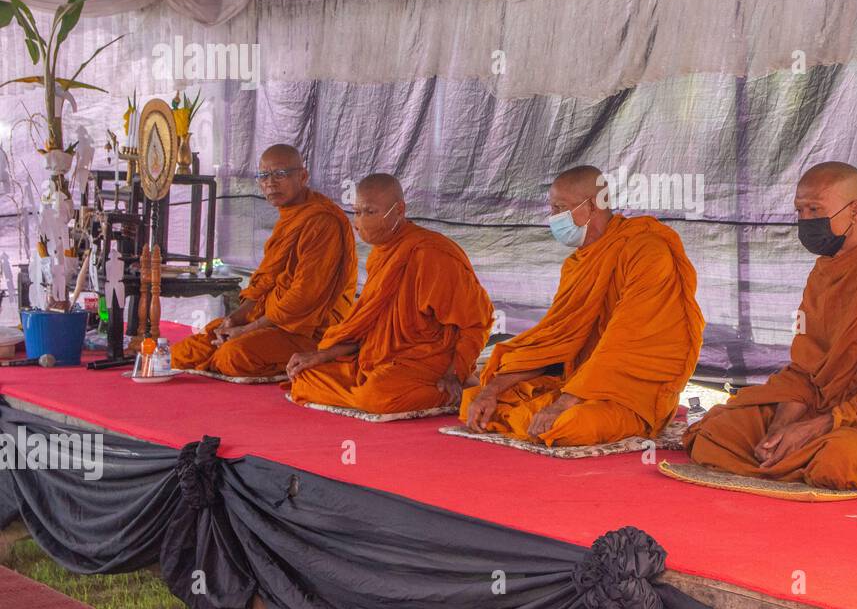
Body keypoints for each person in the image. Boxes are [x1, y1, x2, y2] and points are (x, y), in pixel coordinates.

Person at [683, 161, 857, 489]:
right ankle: (789, 458)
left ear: (855, 211)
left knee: (836, 463)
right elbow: (807, 369)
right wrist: (780, 429)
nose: (806, 221)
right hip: (824, 406)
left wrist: (816, 426)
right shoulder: (824, 272)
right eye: (800, 211)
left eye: (815, 209)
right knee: (714, 434)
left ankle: (806, 456)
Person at [460, 165, 704, 446]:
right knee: (477, 402)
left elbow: (624, 342)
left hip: (630, 392)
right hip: (577, 383)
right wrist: (492, 390)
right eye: (552, 208)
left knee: (569, 426)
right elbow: (555, 341)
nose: (553, 218)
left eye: (559, 207)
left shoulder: (647, 252)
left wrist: (563, 404)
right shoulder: (577, 264)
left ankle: (562, 412)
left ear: (592, 206)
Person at [287, 174, 493, 415]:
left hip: (425, 360)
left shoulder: (431, 254)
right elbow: (366, 329)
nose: (359, 222)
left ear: (399, 210)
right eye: (357, 212)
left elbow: (476, 322)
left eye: (370, 212)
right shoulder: (380, 255)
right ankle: (375, 393)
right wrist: (321, 356)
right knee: (304, 376)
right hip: (375, 359)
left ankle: (452, 394)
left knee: (375, 397)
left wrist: (454, 374)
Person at [172, 145, 356, 378]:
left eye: (280, 174)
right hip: (269, 321)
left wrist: (248, 329)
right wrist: (234, 319)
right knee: (183, 353)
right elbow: (265, 283)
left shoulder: (322, 222)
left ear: (303, 176)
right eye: (263, 176)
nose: (270, 183)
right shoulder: (290, 218)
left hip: (309, 330)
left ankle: (314, 359)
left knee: (230, 357)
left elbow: (304, 297)